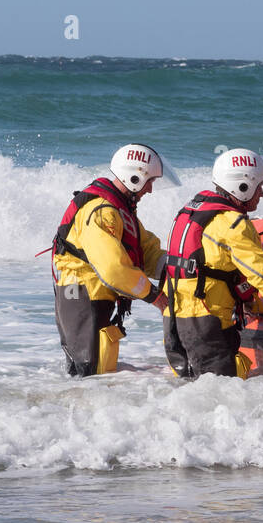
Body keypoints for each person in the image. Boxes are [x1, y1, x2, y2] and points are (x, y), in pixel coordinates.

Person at [162, 148, 263, 379]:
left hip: (175, 318)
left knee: (193, 388)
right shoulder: (232, 224)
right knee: (219, 395)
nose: (261, 194)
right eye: (259, 187)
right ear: (242, 187)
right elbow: (259, 271)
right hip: (205, 321)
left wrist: (249, 301)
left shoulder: (191, 212)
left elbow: (216, 269)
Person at [52, 143, 178, 376]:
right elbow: (113, 269)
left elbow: (146, 250)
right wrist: (157, 298)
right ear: (134, 178)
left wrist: (179, 269)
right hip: (83, 295)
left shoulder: (119, 209)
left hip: (92, 296)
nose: (150, 190)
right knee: (88, 374)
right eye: (149, 182)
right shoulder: (103, 211)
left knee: (98, 371)